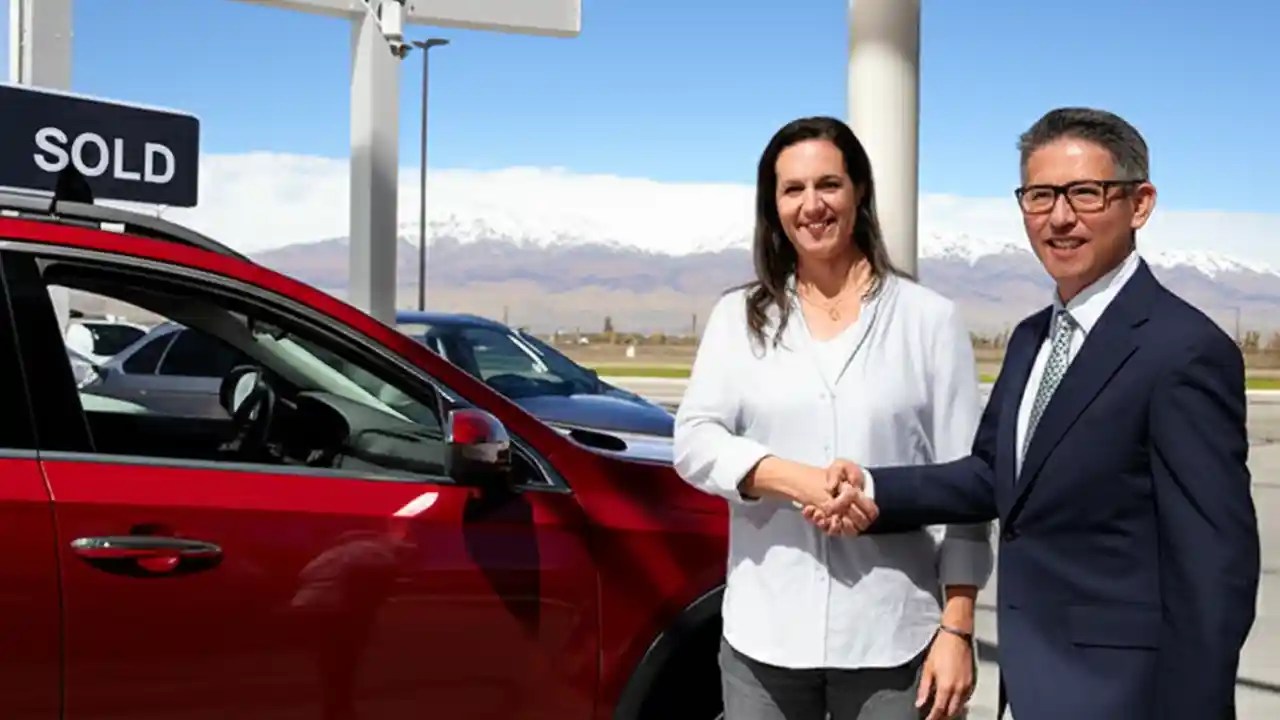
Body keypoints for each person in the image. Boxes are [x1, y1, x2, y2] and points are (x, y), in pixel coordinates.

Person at [806, 107, 1262, 720]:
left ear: (1140, 203)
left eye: (1086, 193)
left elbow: (1215, 568)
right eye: (1041, 195)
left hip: (1127, 695)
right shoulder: (1031, 339)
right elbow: (993, 475)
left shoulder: (1184, 350)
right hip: (1031, 683)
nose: (1060, 217)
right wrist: (869, 487)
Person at [673, 115, 994, 720]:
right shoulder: (737, 318)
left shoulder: (929, 320)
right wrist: (792, 478)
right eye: (792, 189)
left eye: (829, 184)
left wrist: (957, 628)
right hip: (763, 639)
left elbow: (968, 487)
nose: (811, 205)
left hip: (894, 638)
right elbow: (693, 442)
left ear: (860, 192)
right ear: (773, 205)